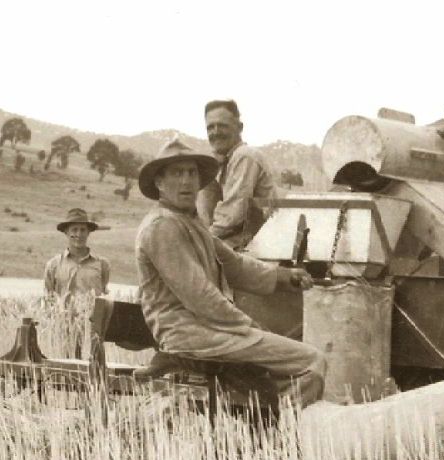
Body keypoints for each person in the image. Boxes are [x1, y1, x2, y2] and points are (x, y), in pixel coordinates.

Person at [135, 139, 325, 408]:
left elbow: (235, 264)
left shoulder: (189, 223)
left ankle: (262, 427)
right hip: (190, 334)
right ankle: (284, 441)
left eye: (191, 173)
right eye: (177, 173)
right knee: (311, 361)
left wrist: (283, 276)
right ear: (159, 182)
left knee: (276, 359)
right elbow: (199, 295)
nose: (187, 181)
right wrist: (246, 324)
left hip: (205, 331)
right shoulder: (163, 227)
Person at [196, 99, 277, 250]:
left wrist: (200, 241)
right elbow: (205, 214)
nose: (215, 132)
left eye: (223, 126)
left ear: (239, 128)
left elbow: (232, 216)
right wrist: (210, 168)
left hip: (257, 246)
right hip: (239, 244)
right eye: (210, 127)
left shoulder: (244, 156)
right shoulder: (224, 161)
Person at [43, 208, 110, 299]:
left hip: (93, 313)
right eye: (74, 230)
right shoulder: (53, 265)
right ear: (66, 232)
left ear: (88, 232)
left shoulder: (102, 264)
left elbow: (103, 297)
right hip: (62, 313)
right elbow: (48, 299)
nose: (79, 234)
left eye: (83, 230)